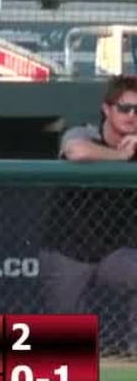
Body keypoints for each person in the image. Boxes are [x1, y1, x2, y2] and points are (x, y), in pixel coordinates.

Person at [40, 74, 137, 350]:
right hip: (67, 251)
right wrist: (122, 157)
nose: (131, 116)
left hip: (112, 253)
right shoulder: (84, 132)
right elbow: (76, 151)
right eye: (124, 108)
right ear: (107, 109)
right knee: (69, 343)